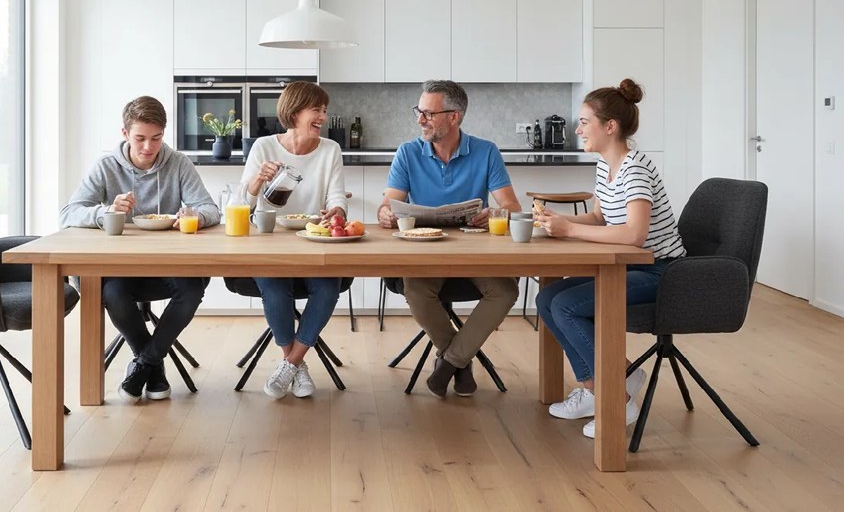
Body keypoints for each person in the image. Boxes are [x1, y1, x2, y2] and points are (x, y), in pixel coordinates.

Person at [534, 79, 686, 438]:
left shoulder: (635, 169)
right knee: (547, 299)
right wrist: (559, 221)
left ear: (610, 127)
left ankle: (617, 394)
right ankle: (596, 386)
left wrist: (570, 231)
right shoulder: (606, 165)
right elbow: (600, 218)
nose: (578, 129)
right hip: (627, 266)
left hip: (660, 271)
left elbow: (634, 234)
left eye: (585, 122)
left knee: (567, 306)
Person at [60, 95, 220, 403]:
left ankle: (144, 364)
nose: (149, 147)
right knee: (112, 292)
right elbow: (69, 213)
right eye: (140, 138)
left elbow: (210, 209)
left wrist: (195, 216)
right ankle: (153, 365)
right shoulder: (106, 166)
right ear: (125, 133)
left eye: (156, 138)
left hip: (167, 265)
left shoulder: (178, 163)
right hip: (120, 268)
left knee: (192, 288)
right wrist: (106, 211)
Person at [377, 79, 522, 398]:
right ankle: (460, 361)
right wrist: (385, 214)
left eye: (428, 113)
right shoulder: (407, 153)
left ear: (454, 117)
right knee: (416, 289)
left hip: (476, 253)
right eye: (419, 111)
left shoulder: (486, 151)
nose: (420, 119)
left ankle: (450, 362)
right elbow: (388, 204)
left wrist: (495, 212)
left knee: (506, 290)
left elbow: (512, 207)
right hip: (424, 253)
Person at [241, 81, 348, 399]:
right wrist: (257, 180)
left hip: (315, 242)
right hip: (270, 243)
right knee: (275, 288)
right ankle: (296, 365)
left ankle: (290, 363)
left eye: (324, 110)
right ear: (295, 112)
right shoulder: (263, 147)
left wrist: (337, 210)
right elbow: (240, 206)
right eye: (316, 110)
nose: (323, 117)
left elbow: (337, 196)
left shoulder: (330, 150)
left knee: (327, 288)